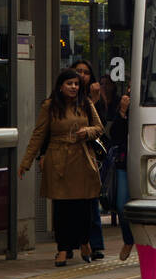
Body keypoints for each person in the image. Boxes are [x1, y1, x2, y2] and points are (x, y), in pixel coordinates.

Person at [18, 68, 104, 267]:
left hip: (82, 158)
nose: (74, 87)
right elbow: (38, 135)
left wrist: (88, 132)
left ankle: (84, 242)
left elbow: (99, 128)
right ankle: (63, 249)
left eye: (76, 84)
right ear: (60, 86)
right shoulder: (50, 106)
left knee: (83, 206)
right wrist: (26, 162)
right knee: (62, 208)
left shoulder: (85, 103)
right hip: (58, 160)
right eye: (69, 84)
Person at [73, 59, 106, 259]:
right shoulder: (65, 97)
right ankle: (71, 244)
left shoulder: (94, 98)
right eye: (78, 71)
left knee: (91, 199)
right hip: (70, 155)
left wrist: (95, 99)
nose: (82, 75)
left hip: (90, 155)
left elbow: (99, 125)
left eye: (85, 72)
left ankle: (95, 244)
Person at [107, 87, 133, 261]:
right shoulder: (124, 109)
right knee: (122, 205)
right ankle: (129, 240)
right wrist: (123, 112)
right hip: (126, 162)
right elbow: (115, 135)